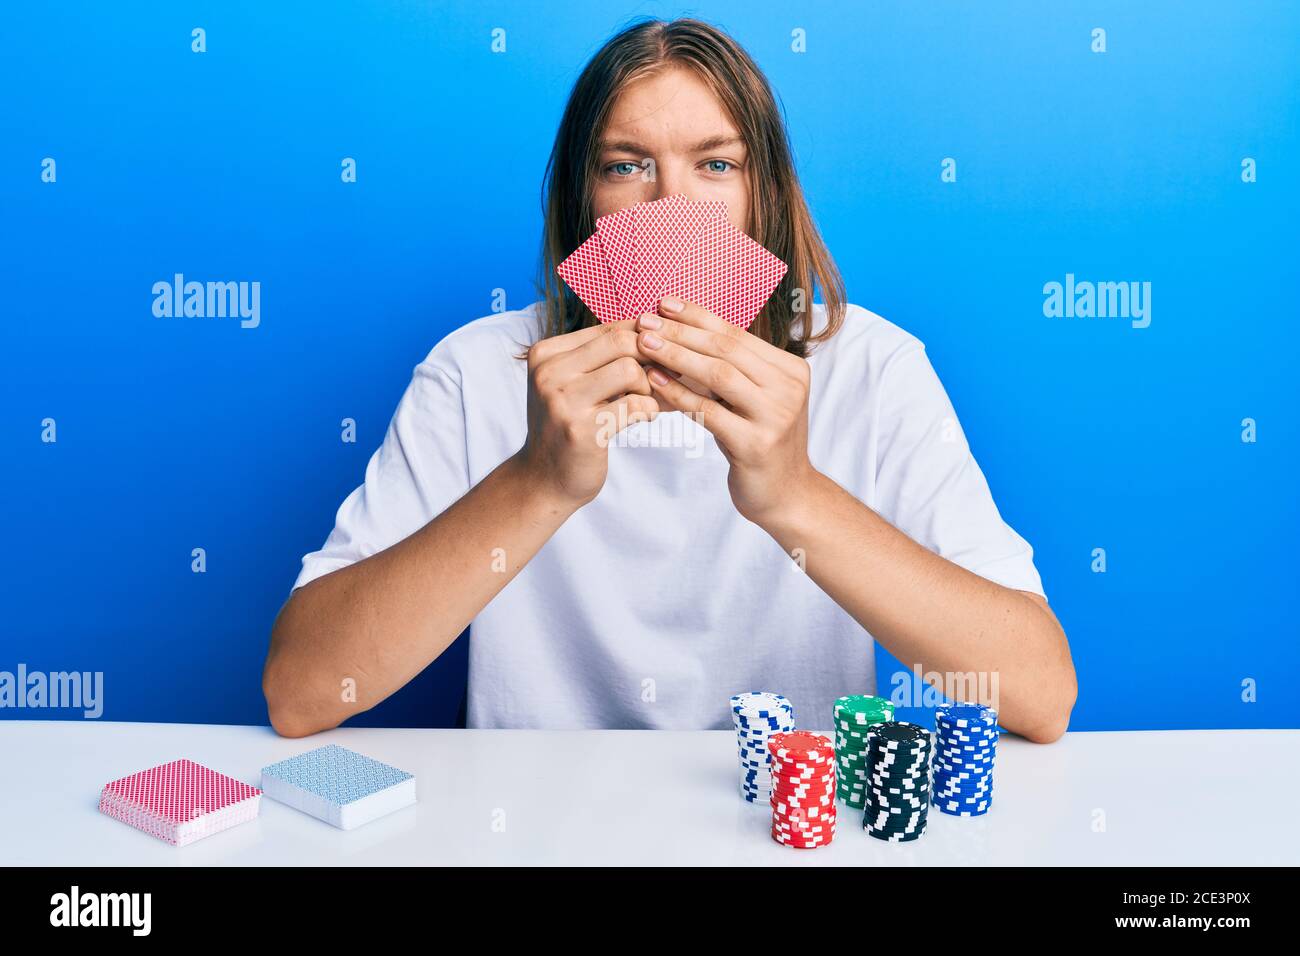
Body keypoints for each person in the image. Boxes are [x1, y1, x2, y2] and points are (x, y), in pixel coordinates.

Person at [263, 18, 1076, 742]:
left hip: (784, 840)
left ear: (766, 197)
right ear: (583, 202)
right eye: (627, 166)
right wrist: (537, 481)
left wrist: (793, 495)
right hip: (536, 835)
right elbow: (302, 691)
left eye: (715, 164)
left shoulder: (872, 368)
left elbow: (1040, 694)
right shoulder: (477, 369)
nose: (672, 207)